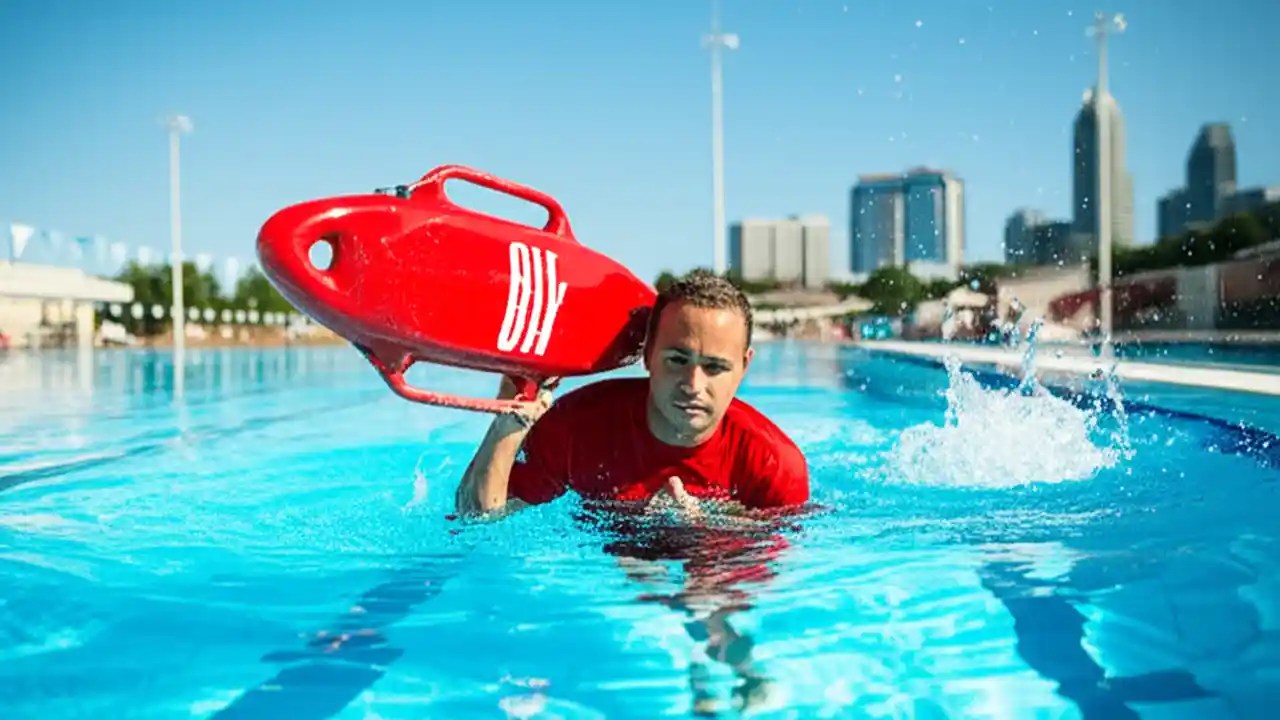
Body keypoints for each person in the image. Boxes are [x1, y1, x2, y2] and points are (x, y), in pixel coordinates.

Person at [454, 269, 810, 519]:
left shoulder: (773, 466)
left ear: (744, 367)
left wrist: (704, 534)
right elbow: (480, 522)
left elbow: (768, 577)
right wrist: (510, 418)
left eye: (715, 367)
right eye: (677, 360)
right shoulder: (577, 427)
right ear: (648, 353)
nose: (694, 384)